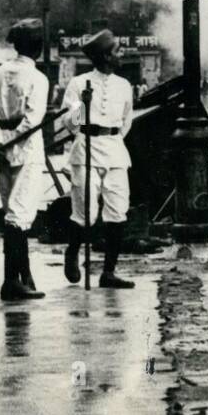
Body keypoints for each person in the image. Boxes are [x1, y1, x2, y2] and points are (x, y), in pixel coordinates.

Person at [0, 19, 49, 301]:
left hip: (2, 155)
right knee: (18, 216)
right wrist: (7, 144)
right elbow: (32, 121)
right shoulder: (38, 79)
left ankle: (24, 275)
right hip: (26, 152)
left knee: (13, 214)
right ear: (38, 47)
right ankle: (10, 280)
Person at [62, 29, 134, 290]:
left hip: (115, 151)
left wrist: (111, 136)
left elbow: (127, 120)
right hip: (86, 150)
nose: (121, 54)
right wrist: (83, 106)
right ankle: (73, 252)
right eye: (116, 51)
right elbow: (70, 122)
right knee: (85, 212)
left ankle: (109, 272)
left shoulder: (124, 85)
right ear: (105, 56)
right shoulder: (79, 84)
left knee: (117, 211)